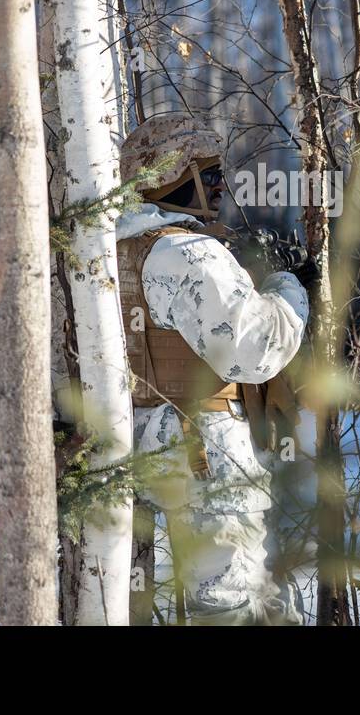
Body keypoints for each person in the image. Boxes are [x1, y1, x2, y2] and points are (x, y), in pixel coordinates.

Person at [117, 114, 307, 624]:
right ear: (172, 179)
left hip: (133, 445)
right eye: (207, 172)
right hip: (204, 452)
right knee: (229, 603)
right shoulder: (187, 253)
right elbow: (255, 350)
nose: (220, 184)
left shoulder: (106, 251)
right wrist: (290, 292)